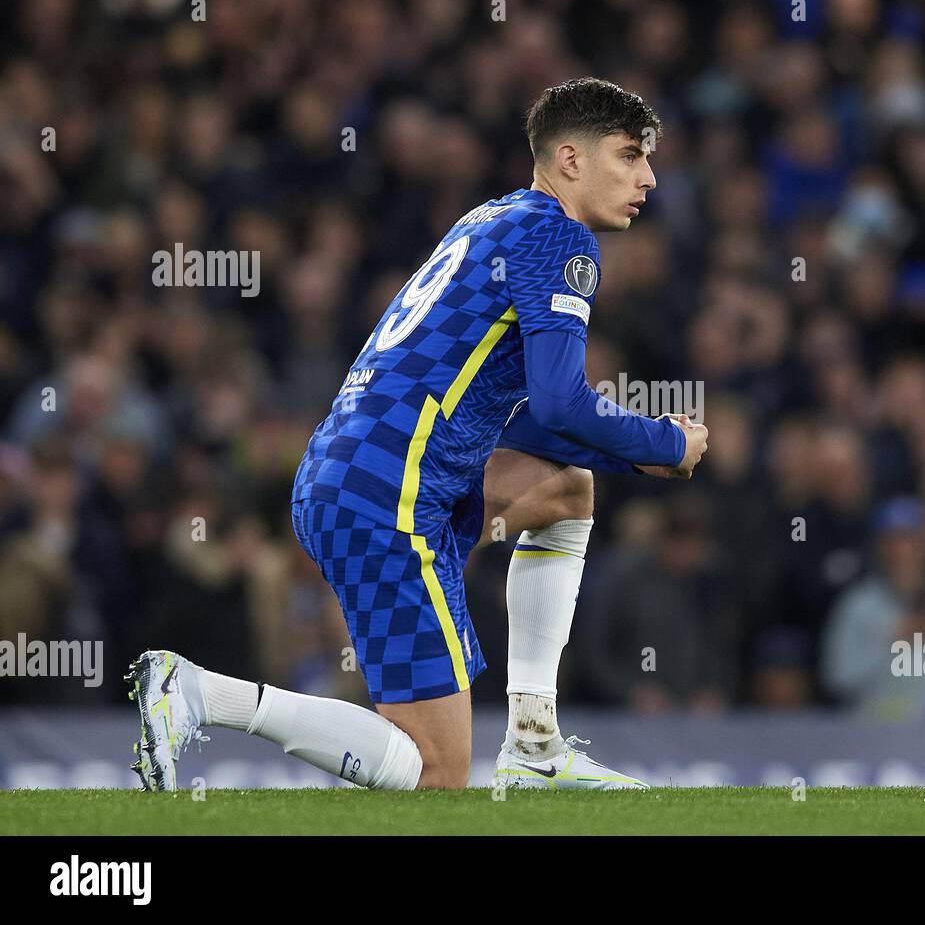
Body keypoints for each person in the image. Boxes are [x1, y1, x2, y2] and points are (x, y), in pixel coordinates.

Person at [125, 78, 708, 792]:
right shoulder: (562, 239)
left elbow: (510, 413)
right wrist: (665, 444)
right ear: (571, 160)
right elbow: (559, 405)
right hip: (391, 498)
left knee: (566, 490)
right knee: (436, 775)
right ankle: (199, 695)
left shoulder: (489, 221)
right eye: (628, 155)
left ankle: (533, 744)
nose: (648, 176)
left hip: (354, 474)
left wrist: (627, 453)